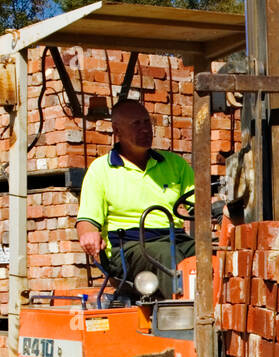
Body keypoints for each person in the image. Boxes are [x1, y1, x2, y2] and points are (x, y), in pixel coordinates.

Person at [75, 98, 196, 289]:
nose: (145, 129)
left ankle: (220, 313)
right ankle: (182, 311)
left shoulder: (176, 164)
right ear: (117, 131)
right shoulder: (101, 169)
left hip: (175, 238)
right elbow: (86, 221)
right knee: (166, 256)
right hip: (128, 247)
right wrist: (89, 235)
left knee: (210, 253)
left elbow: (200, 204)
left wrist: (221, 210)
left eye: (147, 122)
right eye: (136, 124)